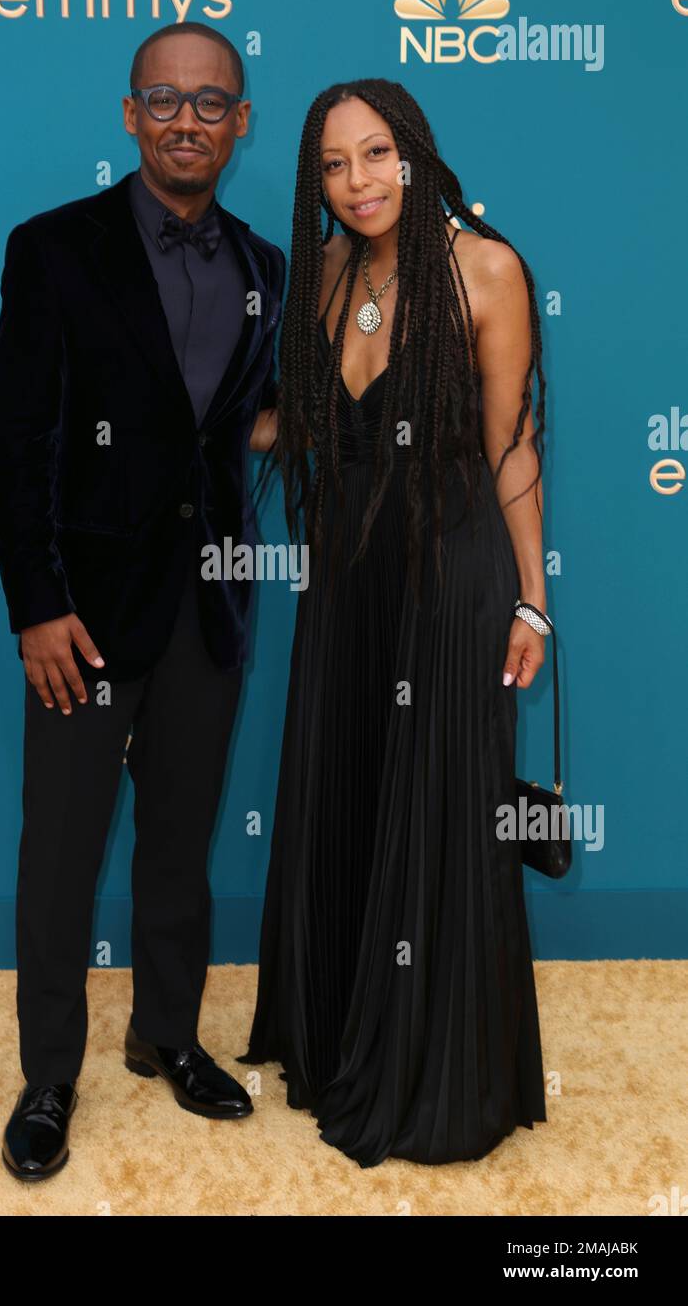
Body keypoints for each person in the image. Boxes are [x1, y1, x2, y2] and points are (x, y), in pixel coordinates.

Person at [0, 22, 285, 1180]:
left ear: (240, 122)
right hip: (85, 614)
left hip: (210, 604)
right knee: (60, 854)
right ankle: (47, 1073)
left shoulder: (265, 267)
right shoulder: (52, 248)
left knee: (179, 843)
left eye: (211, 102)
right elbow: (22, 444)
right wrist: (35, 604)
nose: (186, 119)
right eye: (163, 98)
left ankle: (166, 1034)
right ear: (128, 114)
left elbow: (234, 431)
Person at [240, 78, 549, 1168]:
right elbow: (295, 426)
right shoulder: (322, 270)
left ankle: (436, 1071)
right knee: (350, 783)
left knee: (440, 809)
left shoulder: (487, 270)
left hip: (450, 571)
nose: (356, 182)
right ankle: (336, 1037)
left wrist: (530, 598)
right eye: (331, 164)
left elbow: (511, 446)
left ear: (413, 154)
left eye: (374, 155)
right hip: (347, 578)